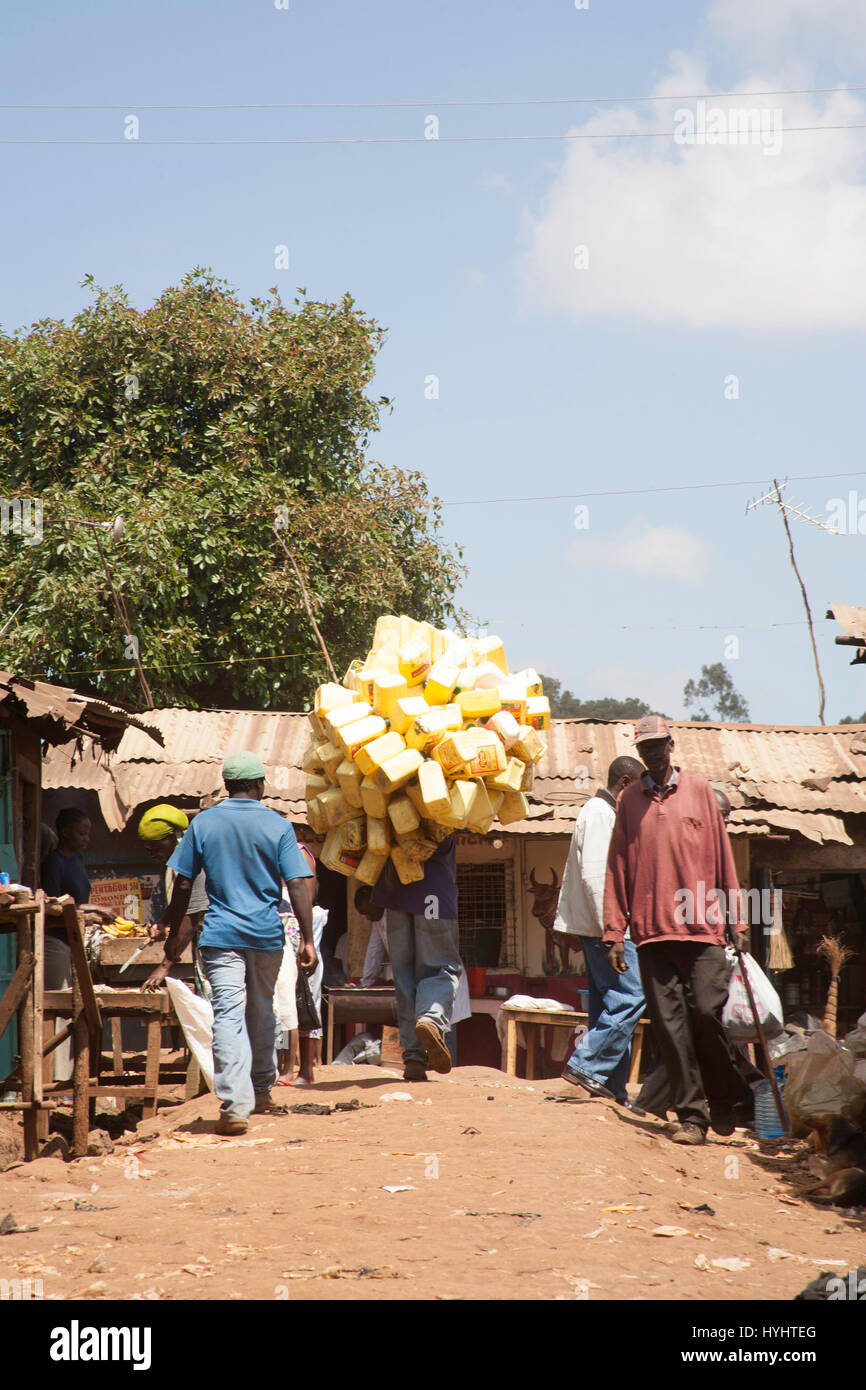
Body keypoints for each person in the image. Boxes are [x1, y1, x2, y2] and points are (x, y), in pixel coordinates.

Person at [145, 752, 315, 1136]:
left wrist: (171, 927)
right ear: (259, 785)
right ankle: (261, 1090)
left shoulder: (202, 824)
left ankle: (236, 1106)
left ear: (227, 785)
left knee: (229, 1017)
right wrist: (308, 939)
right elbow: (298, 884)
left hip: (221, 937)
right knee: (261, 1012)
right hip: (267, 935)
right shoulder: (278, 825)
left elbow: (184, 883)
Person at [602, 715, 750, 1145]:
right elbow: (617, 868)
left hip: (704, 931)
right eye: (645, 746)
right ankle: (692, 1117)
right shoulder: (629, 800)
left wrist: (737, 919)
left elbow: (724, 857)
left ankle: (723, 1097)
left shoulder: (701, 790)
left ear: (672, 744)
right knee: (671, 1027)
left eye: (658, 744)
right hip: (652, 934)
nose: (652, 752)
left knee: (707, 1014)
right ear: (640, 750)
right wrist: (614, 932)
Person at [634, 786, 761, 1122]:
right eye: (722, 815)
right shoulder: (683, 846)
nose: (726, 822)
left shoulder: (719, 850)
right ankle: (734, 1099)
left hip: (711, 950)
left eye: (729, 817)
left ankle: (734, 1099)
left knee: (705, 1022)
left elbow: (728, 890)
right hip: (677, 946)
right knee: (682, 1029)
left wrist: (737, 926)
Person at [554, 755, 646, 1107]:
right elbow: (596, 878)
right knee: (631, 997)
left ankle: (609, 1085)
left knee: (609, 1005)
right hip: (606, 931)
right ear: (624, 784)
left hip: (603, 929)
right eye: (639, 788)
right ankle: (586, 1065)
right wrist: (614, 933)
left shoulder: (606, 814)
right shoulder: (599, 815)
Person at [371, 833, 462, 1082]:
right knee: (440, 966)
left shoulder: (388, 803)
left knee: (404, 974)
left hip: (396, 896)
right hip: (434, 894)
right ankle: (431, 1018)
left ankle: (413, 1058)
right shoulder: (444, 801)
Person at [40, 807, 114, 1080]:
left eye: (87, 833)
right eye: (81, 833)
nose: (86, 838)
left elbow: (75, 900)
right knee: (57, 1008)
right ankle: (53, 1077)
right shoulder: (54, 863)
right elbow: (53, 903)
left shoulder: (78, 859)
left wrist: (94, 910)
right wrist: (88, 913)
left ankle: (71, 1077)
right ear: (65, 832)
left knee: (74, 1009)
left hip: (74, 943)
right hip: (55, 942)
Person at [137, 804, 210, 997]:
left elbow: (191, 915)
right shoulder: (187, 858)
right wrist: (163, 921)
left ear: (175, 837)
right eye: (147, 848)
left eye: (156, 846)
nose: (152, 853)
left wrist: (165, 965)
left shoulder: (196, 860)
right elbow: (181, 899)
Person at [274, 843, 327, 1087]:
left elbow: (305, 897)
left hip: (298, 936)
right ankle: (281, 1067)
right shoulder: (270, 852)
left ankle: (304, 1069)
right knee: (282, 1002)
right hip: (282, 935)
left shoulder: (299, 853)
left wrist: (304, 943)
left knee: (304, 1001)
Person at [354, 884, 390, 987]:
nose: (367, 918)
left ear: (377, 903)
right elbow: (374, 951)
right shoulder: (377, 921)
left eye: (368, 913)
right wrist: (365, 983)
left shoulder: (393, 916)